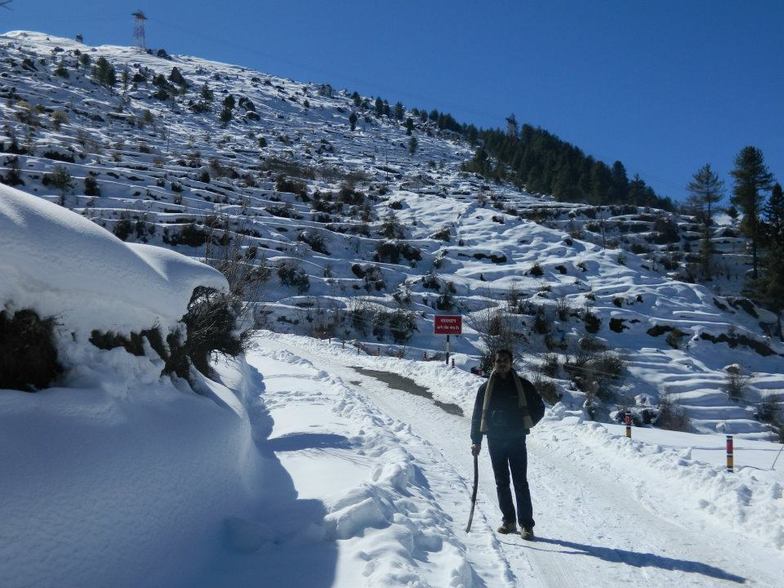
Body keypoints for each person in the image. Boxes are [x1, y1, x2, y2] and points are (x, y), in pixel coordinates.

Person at [470, 349, 545, 540]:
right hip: (494, 440)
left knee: (521, 483)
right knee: (501, 482)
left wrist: (527, 423)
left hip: (516, 440)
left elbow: (539, 407)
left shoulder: (523, 386)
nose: (501, 363)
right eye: (498, 361)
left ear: (511, 362)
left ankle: (526, 525)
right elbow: (477, 415)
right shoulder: (485, 388)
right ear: (493, 363)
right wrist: (475, 441)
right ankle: (509, 521)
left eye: (505, 360)